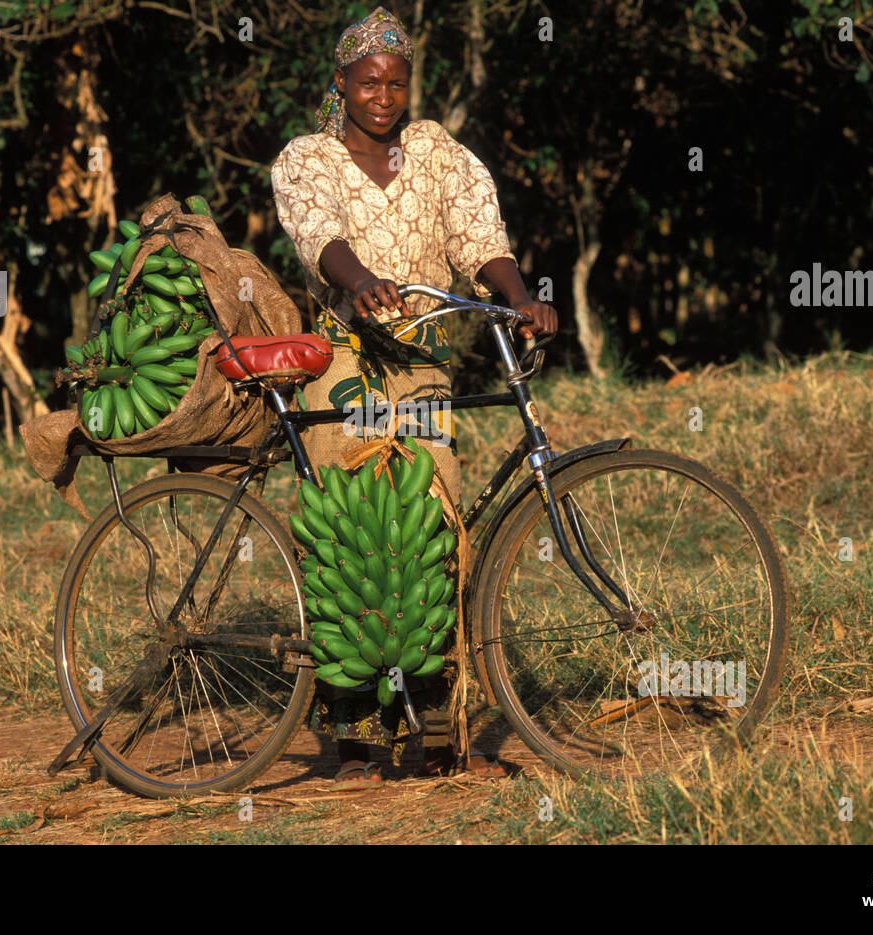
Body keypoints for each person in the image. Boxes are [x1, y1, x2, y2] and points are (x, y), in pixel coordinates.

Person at [270, 6, 558, 787]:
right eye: (368, 81)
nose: (383, 95)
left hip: (425, 360)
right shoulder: (307, 159)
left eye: (396, 81)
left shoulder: (435, 154)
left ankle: (430, 700)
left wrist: (519, 295)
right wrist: (359, 282)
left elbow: (480, 239)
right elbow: (317, 235)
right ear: (341, 82)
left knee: (432, 519)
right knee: (354, 531)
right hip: (340, 358)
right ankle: (354, 713)